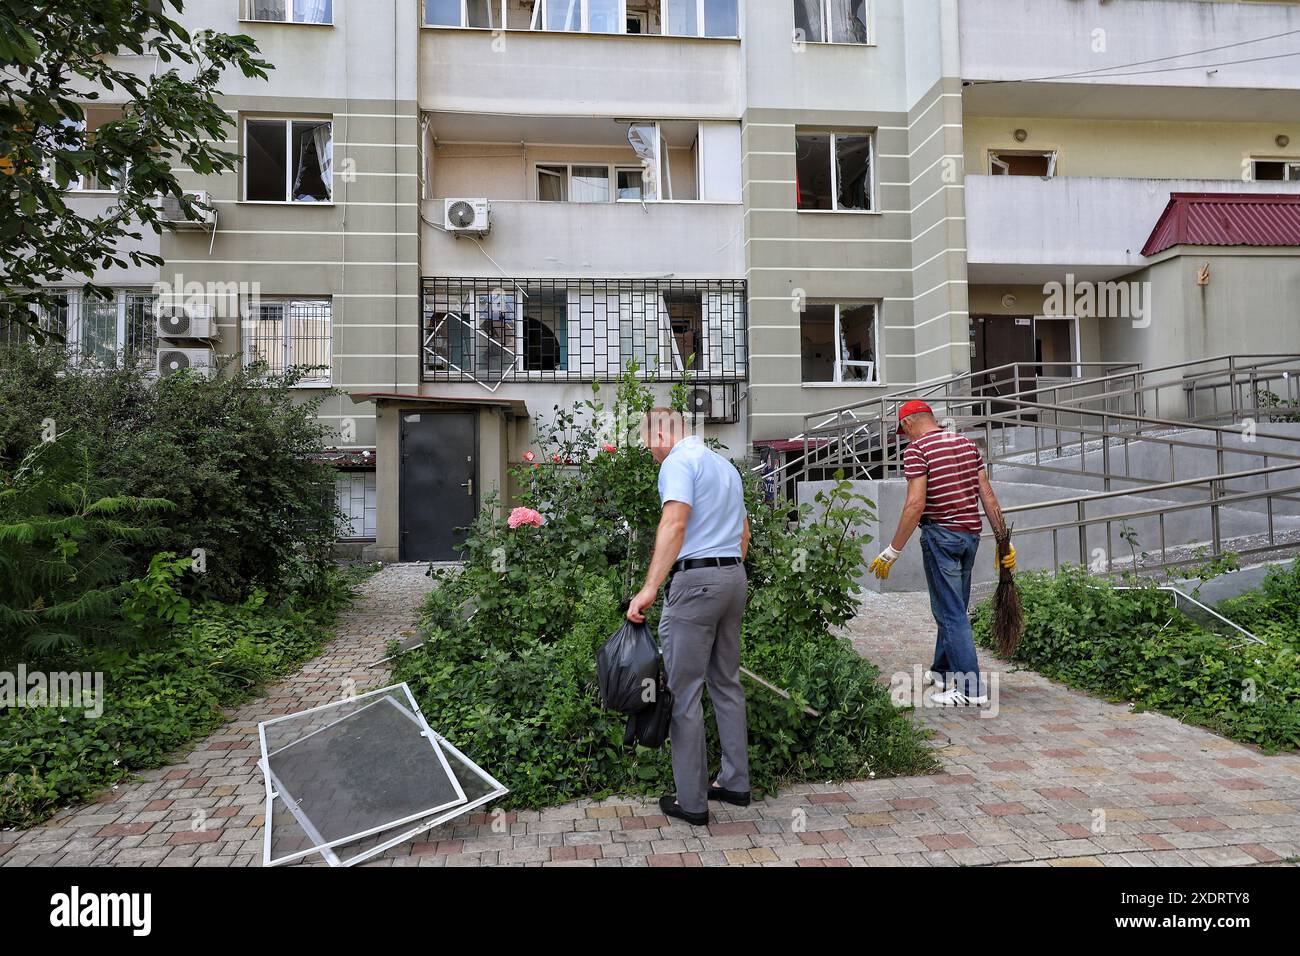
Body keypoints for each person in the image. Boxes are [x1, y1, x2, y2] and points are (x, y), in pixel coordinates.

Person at [627, 408, 751, 826]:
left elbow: (674, 522)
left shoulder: (680, 460)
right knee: (727, 683)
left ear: (662, 431)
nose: (651, 455)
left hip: (696, 584)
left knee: (683, 693)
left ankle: (692, 802)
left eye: (649, 445)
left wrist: (649, 588)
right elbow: (744, 533)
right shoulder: (724, 465)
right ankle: (735, 781)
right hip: (733, 577)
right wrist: (725, 575)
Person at [868, 400, 1016, 706]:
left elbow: (915, 504)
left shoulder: (917, 450)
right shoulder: (966, 444)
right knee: (955, 606)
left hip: (941, 538)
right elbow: (986, 494)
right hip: (969, 537)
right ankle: (943, 672)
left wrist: (893, 550)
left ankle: (971, 690)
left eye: (903, 431)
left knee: (949, 612)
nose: (905, 437)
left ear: (908, 424)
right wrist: (1004, 540)